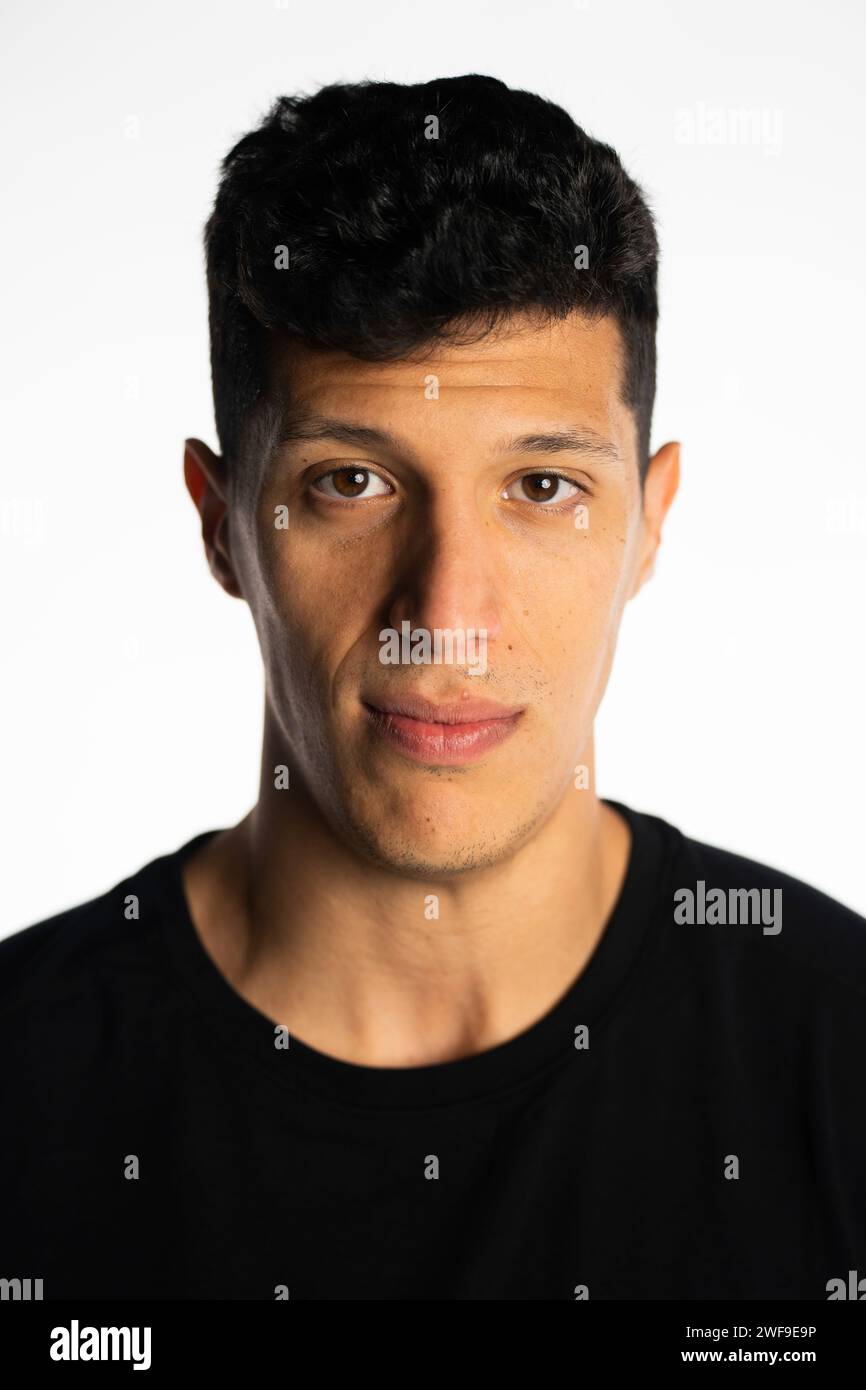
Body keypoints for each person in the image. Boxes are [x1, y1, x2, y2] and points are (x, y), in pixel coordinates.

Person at [2, 74, 864, 1302]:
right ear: (221, 524)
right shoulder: (26, 1088)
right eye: (352, 482)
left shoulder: (835, 1063)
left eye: (543, 488)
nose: (444, 621)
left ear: (648, 523)